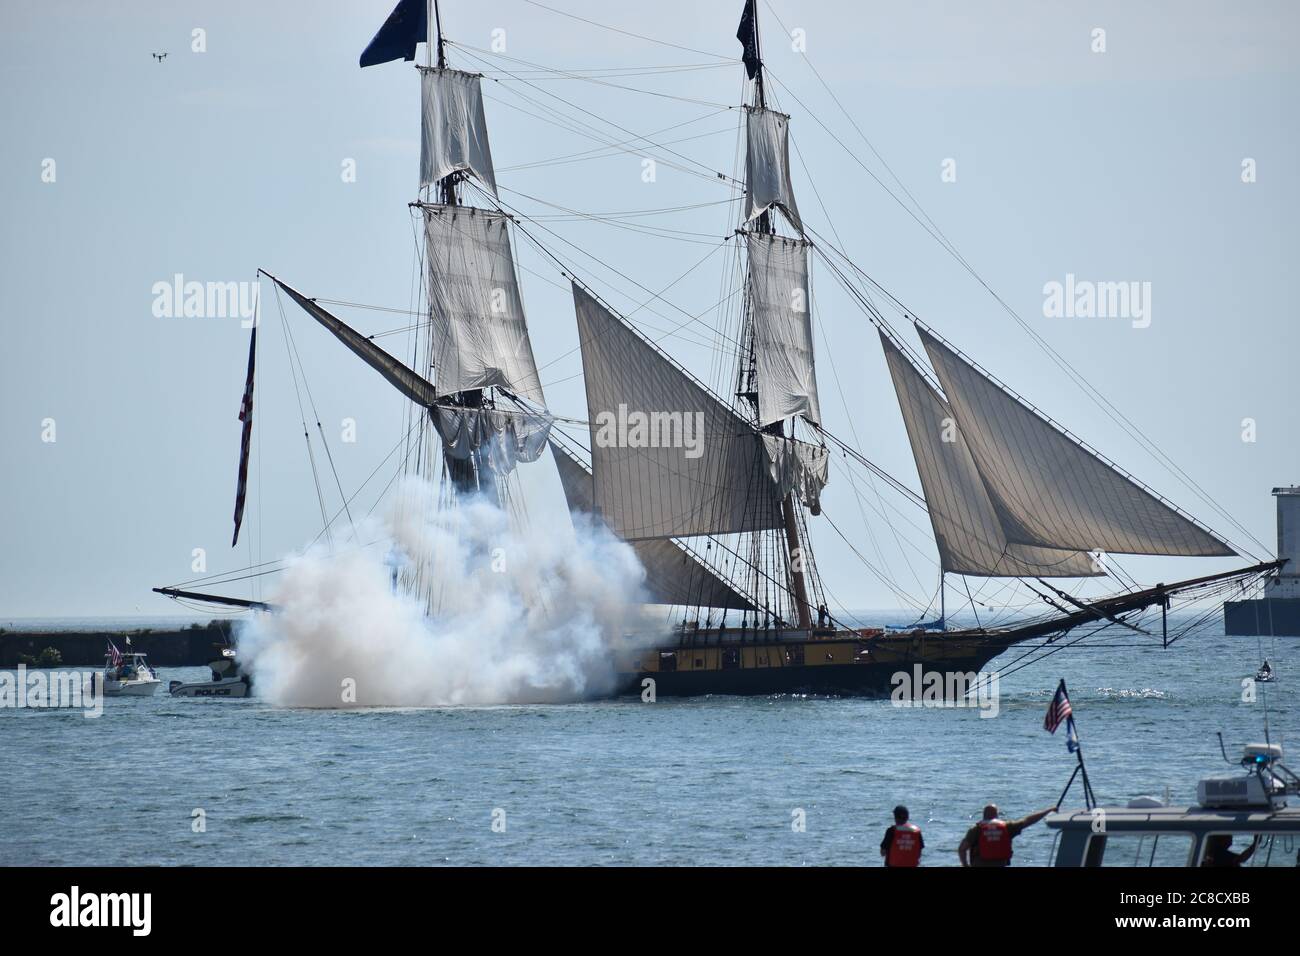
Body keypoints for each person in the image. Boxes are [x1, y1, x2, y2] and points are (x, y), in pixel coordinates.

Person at [958, 803, 1056, 867]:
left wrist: (965, 865)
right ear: (997, 815)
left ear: (983, 815)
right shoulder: (1007, 827)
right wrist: (1048, 810)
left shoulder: (976, 829)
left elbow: (962, 849)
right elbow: (1028, 820)